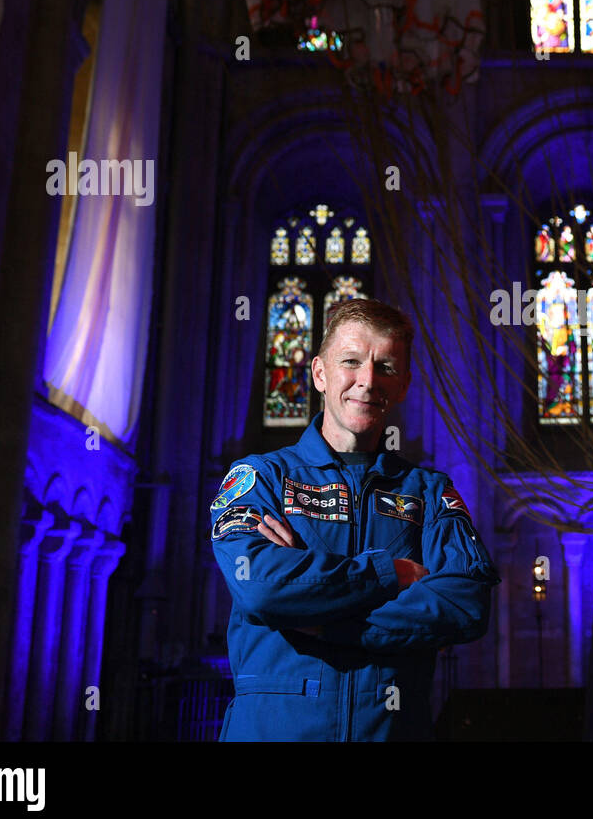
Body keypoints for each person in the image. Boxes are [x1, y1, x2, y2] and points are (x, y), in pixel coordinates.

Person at [210, 298, 499, 740]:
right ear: (320, 373)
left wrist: (320, 617)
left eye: (386, 367)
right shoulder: (261, 478)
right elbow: (262, 587)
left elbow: (466, 605)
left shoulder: (428, 493)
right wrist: (389, 574)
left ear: (403, 384)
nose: (367, 381)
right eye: (351, 361)